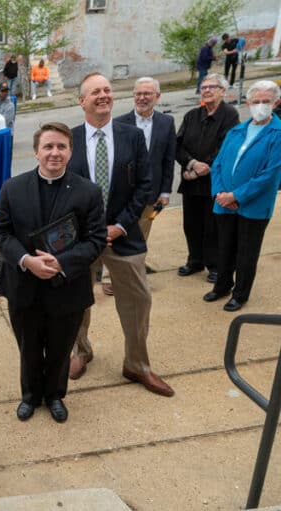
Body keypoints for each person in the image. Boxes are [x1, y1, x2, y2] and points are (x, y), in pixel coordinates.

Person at [67, 72, 174, 397]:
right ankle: (81, 351)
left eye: (107, 90)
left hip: (124, 233)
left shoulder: (131, 136)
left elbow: (144, 185)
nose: (103, 95)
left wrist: (121, 225)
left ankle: (137, 365)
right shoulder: (68, 140)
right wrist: (89, 229)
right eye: (95, 91)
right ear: (82, 101)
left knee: (139, 300)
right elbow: (64, 192)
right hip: (82, 237)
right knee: (75, 300)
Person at [0, 122, 105, 424]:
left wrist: (62, 263)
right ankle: (30, 396)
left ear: (70, 152)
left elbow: (96, 240)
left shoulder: (89, 192)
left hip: (67, 287)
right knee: (29, 346)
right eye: (48, 146)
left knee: (60, 348)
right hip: (24, 286)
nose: (54, 153)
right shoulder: (12, 188)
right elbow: (2, 235)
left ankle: (55, 395)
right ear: (36, 152)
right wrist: (26, 260)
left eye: (61, 147)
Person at [205, 80, 281, 311]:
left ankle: (240, 293)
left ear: (276, 103)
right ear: (247, 102)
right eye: (256, 101)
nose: (260, 105)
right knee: (225, 247)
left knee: (246, 252)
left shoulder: (277, 134)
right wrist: (220, 193)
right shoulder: (237, 130)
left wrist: (237, 196)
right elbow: (218, 163)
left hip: (253, 205)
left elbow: (269, 175)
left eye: (265, 101)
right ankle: (222, 285)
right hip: (224, 202)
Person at [176, 73, 240, 283]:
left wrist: (204, 167)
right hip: (191, 181)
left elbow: (227, 147)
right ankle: (195, 260)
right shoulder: (192, 115)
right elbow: (179, 146)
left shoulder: (230, 115)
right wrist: (192, 164)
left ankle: (214, 265)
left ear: (223, 90)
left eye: (212, 86)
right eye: (203, 87)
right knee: (191, 224)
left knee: (212, 226)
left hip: (215, 182)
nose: (207, 90)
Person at [114, 77, 176, 247]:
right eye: (138, 93)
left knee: (142, 235)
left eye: (147, 93)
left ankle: (138, 265)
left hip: (151, 193)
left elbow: (168, 160)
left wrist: (165, 192)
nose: (142, 98)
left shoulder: (167, 122)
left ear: (157, 96)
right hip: (124, 194)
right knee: (120, 235)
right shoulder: (118, 123)